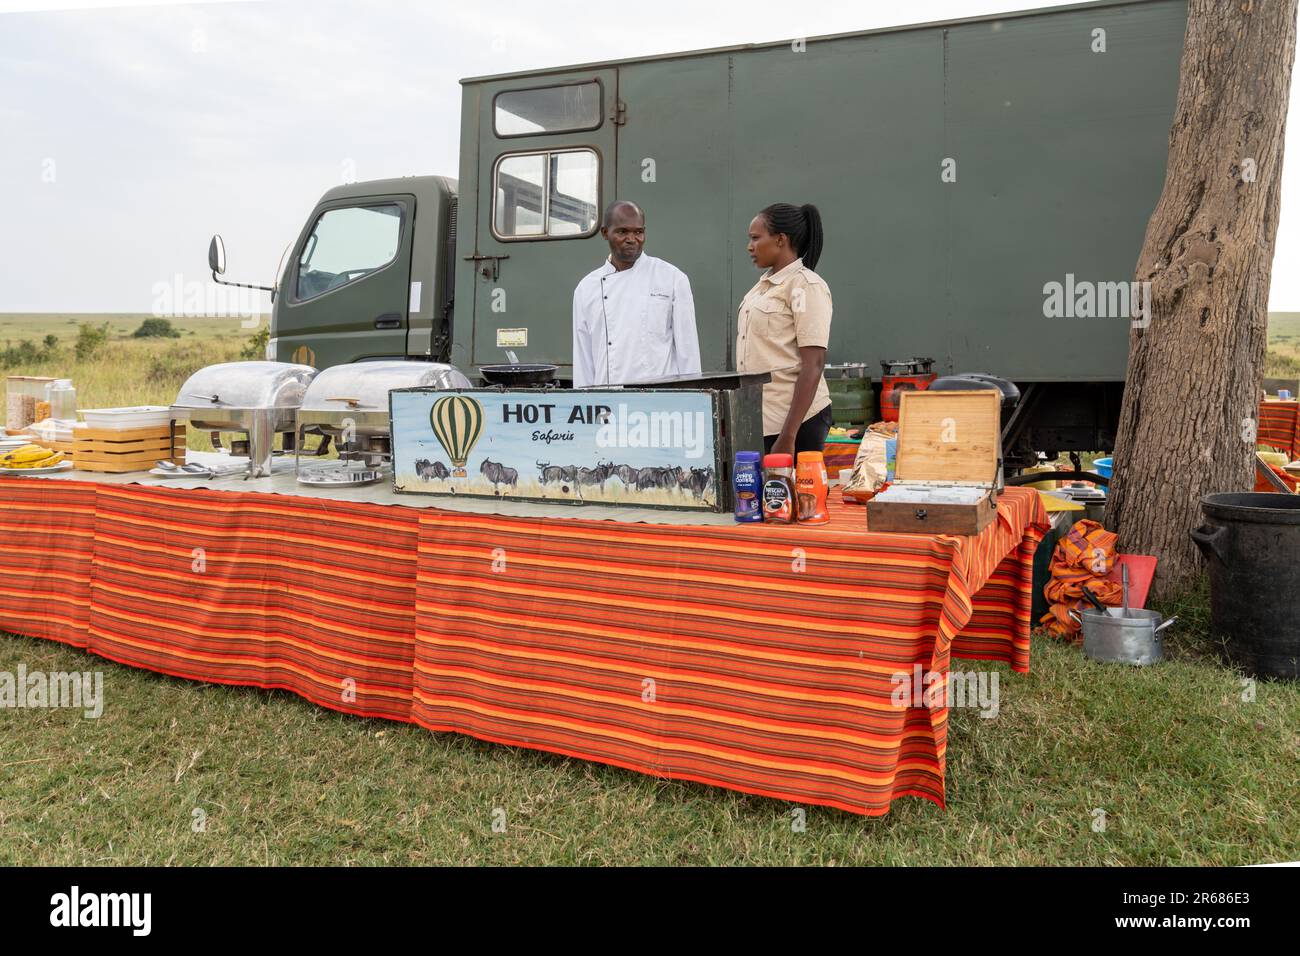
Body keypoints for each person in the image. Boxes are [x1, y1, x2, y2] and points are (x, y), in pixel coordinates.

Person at [736, 203, 833, 456]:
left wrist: (789, 435)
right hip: (762, 419)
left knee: (796, 495)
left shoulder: (806, 286)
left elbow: (814, 363)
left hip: (797, 423)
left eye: (756, 238)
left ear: (781, 240)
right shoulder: (761, 288)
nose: (750, 246)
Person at [572, 200, 701, 387]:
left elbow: (688, 351)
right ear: (605, 233)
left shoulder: (672, 278)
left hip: (659, 403)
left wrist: (692, 400)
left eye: (638, 232)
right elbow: (583, 359)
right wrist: (584, 405)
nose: (632, 239)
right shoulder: (586, 288)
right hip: (606, 400)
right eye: (622, 232)